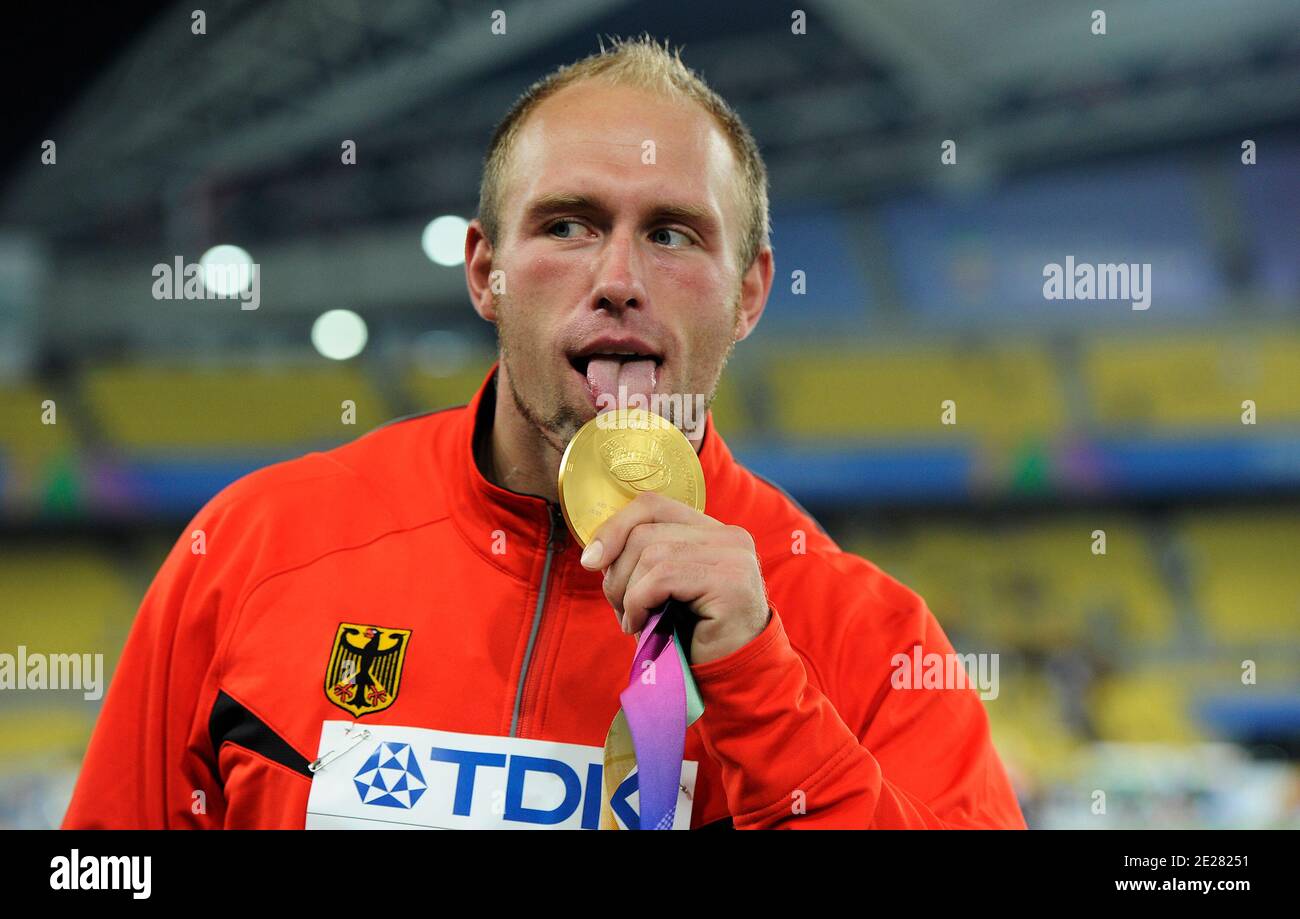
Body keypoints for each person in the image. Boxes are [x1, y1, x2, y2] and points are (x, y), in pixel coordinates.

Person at [63, 34, 1025, 830]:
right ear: (485, 272)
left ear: (750, 294)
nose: (618, 277)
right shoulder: (250, 552)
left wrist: (760, 681)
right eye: (567, 225)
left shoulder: (872, 641)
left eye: (673, 233)